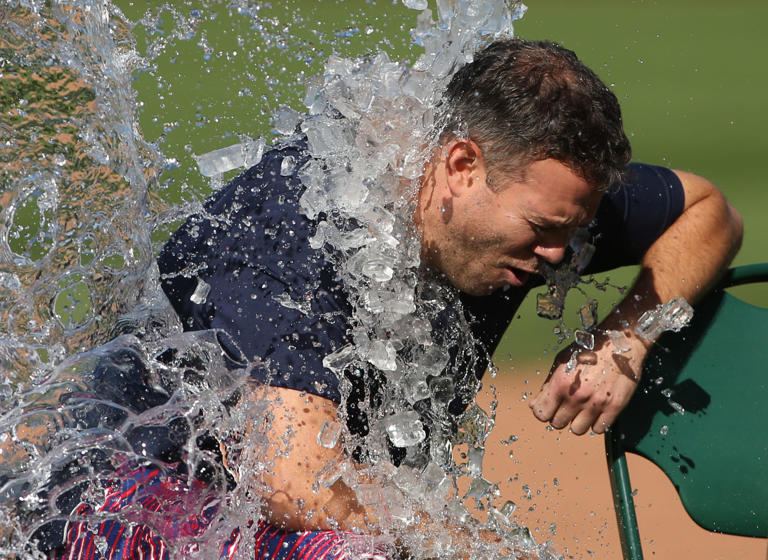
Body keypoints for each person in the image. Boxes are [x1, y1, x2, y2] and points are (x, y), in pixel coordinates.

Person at [27, 39, 742, 559]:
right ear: (461, 165)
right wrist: (478, 548)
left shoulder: (541, 205)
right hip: (126, 503)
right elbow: (293, 480)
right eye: (544, 229)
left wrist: (624, 337)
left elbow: (712, 212)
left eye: (573, 230)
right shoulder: (303, 229)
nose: (561, 255)